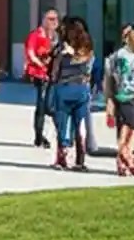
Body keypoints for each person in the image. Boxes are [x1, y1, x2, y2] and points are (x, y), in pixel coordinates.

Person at [105, 24, 134, 177]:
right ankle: (127, 157)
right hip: (129, 96)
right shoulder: (129, 56)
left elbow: (109, 79)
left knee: (125, 129)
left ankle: (122, 162)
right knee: (128, 129)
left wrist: (109, 99)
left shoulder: (120, 56)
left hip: (125, 96)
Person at [51, 23, 94, 172]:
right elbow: (89, 71)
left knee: (62, 124)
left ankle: (62, 156)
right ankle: (80, 159)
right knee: (80, 124)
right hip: (81, 89)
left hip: (64, 89)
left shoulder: (61, 52)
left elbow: (54, 73)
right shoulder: (87, 52)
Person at [23, 9, 60, 149]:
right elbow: (31, 53)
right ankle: (39, 136)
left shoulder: (57, 37)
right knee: (42, 104)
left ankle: (52, 133)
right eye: (50, 19)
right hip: (40, 74)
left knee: (50, 106)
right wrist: (40, 64)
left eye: (55, 19)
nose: (54, 22)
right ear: (44, 20)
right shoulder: (36, 35)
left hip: (54, 75)